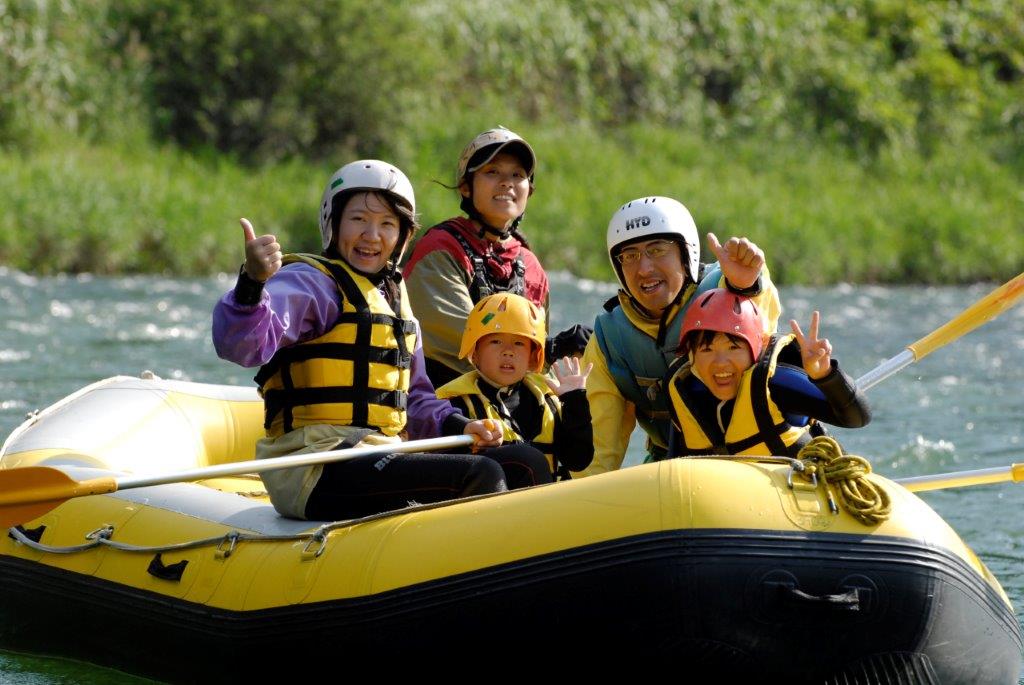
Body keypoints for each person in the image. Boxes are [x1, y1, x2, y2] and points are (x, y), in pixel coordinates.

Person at [212, 159, 507, 521]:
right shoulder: (310, 283)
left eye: (387, 224)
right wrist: (251, 285)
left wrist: (461, 426)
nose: (372, 235)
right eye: (358, 220)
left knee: (518, 461)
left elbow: (415, 399)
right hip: (315, 464)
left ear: (402, 236)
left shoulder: (396, 301)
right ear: (332, 224)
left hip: (378, 455)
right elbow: (241, 346)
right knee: (483, 475)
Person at [578, 196, 783, 476]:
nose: (644, 268)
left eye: (657, 250)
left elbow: (762, 327)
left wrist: (746, 286)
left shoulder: (730, 283)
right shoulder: (608, 339)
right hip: (672, 465)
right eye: (630, 256)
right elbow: (599, 453)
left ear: (687, 253)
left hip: (759, 459)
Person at [404, 126, 589, 387]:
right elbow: (469, 343)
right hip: (445, 408)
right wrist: (552, 348)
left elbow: (530, 369)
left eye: (518, 175)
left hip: (506, 407)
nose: (507, 182)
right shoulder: (441, 250)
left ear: (529, 191)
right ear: (466, 187)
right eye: (492, 172)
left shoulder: (531, 266)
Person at [666, 289, 871, 456]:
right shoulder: (687, 392)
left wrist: (825, 376)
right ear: (692, 354)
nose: (720, 363)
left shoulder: (777, 384)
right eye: (706, 350)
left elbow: (857, 418)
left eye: (733, 348)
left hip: (801, 491)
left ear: (755, 350)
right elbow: (676, 460)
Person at [435, 293, 594, 485]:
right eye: (496, 341)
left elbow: (578, 461)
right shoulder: (454, 402)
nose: (508, 351)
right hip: (489, 504)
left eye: (519, 343)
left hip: (544, 503)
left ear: (532, 356)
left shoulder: (548, 398)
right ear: (474, 352)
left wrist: (575, 402)